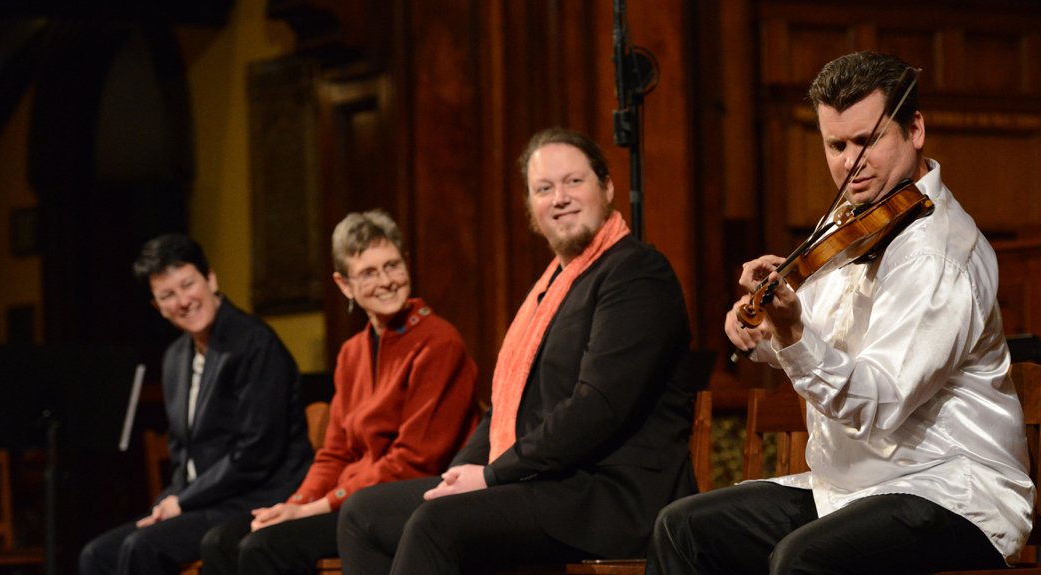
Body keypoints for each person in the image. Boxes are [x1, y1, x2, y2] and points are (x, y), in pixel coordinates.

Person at [647, 51, 1033, 574]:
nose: (851, 162)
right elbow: (816, 337)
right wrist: (757, 325)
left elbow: (880, 403)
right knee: (684, 529)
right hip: (852, 488)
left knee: (801, 561)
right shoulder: (855, 226)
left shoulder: (938, 252)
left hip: (951, 492)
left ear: (915, 129)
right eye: (837, 145)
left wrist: (792, 333)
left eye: (868, 140)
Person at [336, 127, 695, 575]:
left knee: (436, 523)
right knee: (362, 514)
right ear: (531, 208)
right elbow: (509, 406)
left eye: (574, 181)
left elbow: (598, 406)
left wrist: (490, 476)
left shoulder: (636, 273)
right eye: (544, 188)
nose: (559, 197)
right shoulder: (550, 289)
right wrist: (460, 473)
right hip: (551, 482)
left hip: (612, 495)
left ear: (606, 187)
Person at [199, 211, 480, 575]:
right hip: (348, 501)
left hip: (404, 504)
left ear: (407, 265)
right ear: (344, 285)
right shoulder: (352, 352)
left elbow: (412, 462)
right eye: (368, 272)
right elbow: (334, 453)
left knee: (264, 548)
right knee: (220, 541)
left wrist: (313, 509)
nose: (385, 281)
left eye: (392, 266)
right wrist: (295, 504)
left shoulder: (439, 342)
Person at [80, 234, 313, 575]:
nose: (183, 301)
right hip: (202, 501)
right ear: (157, 307)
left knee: (141, 547)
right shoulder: (175, 357)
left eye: (188, 284)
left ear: (211, 279)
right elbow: (182, 454)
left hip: (257, 496)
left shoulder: (254, 344)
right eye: (167, 296)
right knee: (95, 555)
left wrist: (183, 501)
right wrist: (168, 501)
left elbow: (255, 455)